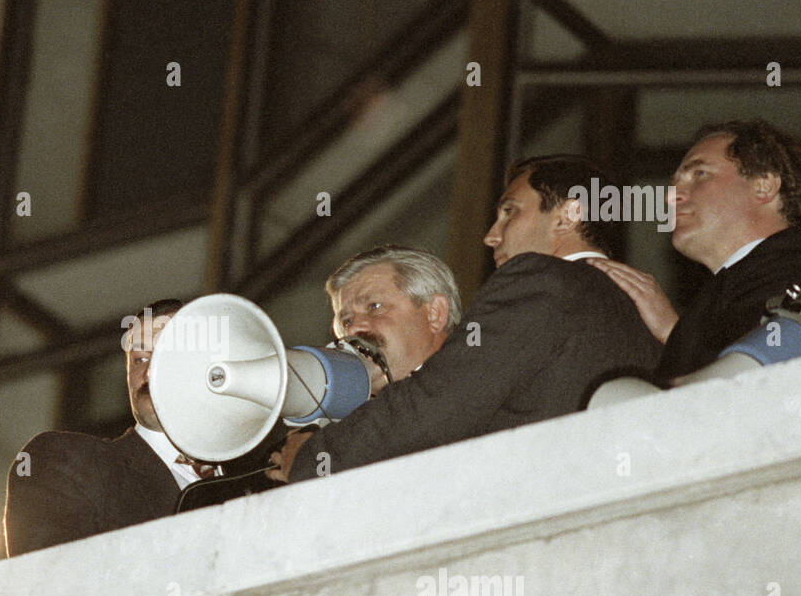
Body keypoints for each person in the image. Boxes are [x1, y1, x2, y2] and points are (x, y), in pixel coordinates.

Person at [270, 155, 661, 482]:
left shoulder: (539, 279)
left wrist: (311, 457)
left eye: (510, 212)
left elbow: (435, 407)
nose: (492, 235)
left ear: (568, 216)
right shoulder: (643, 315)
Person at [590, 119, 801, 379]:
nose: (670, 196)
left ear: (764, 185)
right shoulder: (738, 290)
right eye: (673, 184)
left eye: (699, 174)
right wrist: (676, 332)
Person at [5, 299, 224, 556]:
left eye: (169, 355)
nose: (150, 374)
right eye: (140, 359)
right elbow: (51, 582)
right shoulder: (66, 460)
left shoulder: (258, 472)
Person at [325, 244, 461, 394]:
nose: (352, 329)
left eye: (374, 307)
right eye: (346, 321)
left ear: (435, 313)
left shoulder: (480, 395)